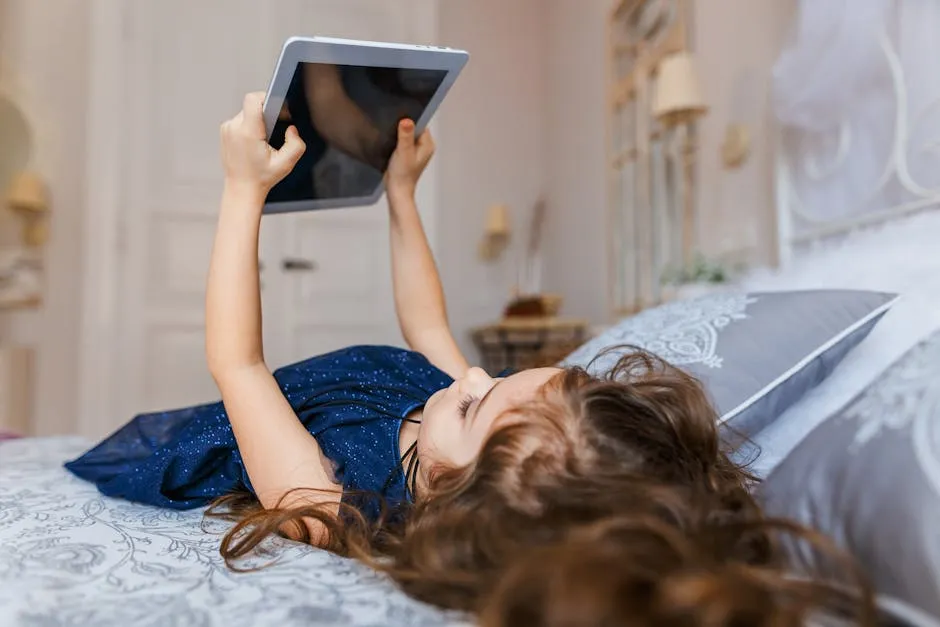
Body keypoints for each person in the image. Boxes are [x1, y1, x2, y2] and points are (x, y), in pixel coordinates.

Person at [64, 92, 819, 616]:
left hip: (182, 443)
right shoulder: (473, 425)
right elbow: (427, 321)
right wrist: (401, 195)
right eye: (495, 379)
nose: (473, 374)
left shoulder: (336, 509)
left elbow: (239, 365)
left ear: (457, 492)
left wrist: (241, 193)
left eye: (474, 398)